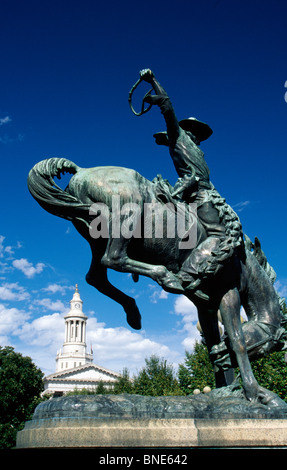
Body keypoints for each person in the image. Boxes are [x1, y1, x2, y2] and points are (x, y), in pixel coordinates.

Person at [139, 69, 227, 289]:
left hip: (206, 193)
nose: (197, 135)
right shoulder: (179, 138)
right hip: (198, 196)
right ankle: (188, 273)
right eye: (194, 130)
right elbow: (168, 107)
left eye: (200, 132)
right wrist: (153, 81)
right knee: (219, 234)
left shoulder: (197, 150)